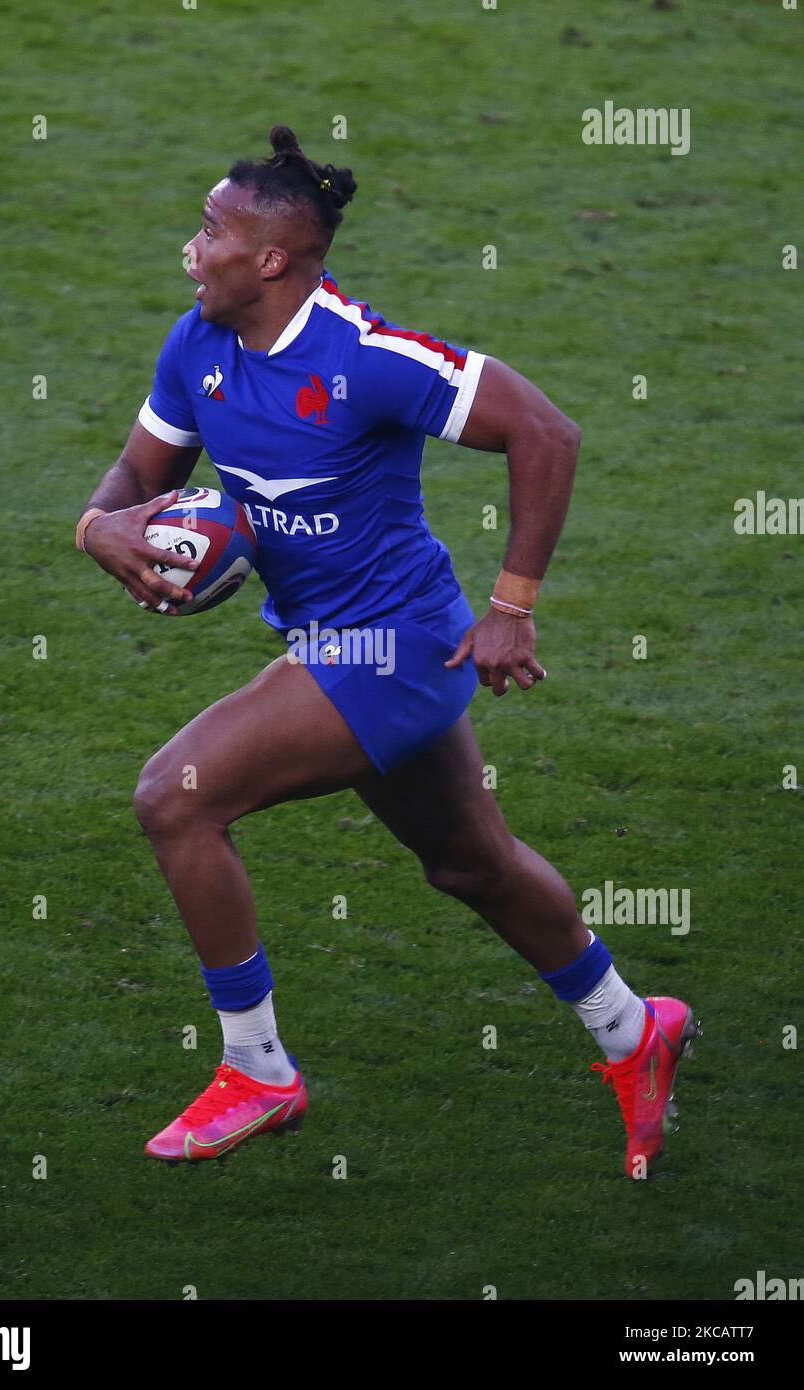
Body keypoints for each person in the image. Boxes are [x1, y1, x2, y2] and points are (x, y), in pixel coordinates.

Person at [76, 125, 698, 1179]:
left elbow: (546, 432)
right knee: (470, 863)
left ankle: (258, 1068)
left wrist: (512, 606)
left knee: (174, 796)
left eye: (211, 230)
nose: (192, 247)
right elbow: (127, 485)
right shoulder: (197, 345)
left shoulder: (366, 357)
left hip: (397, 646)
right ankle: (633, 1030)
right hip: (322, 639)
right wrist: (103, 532)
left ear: (270, 259)